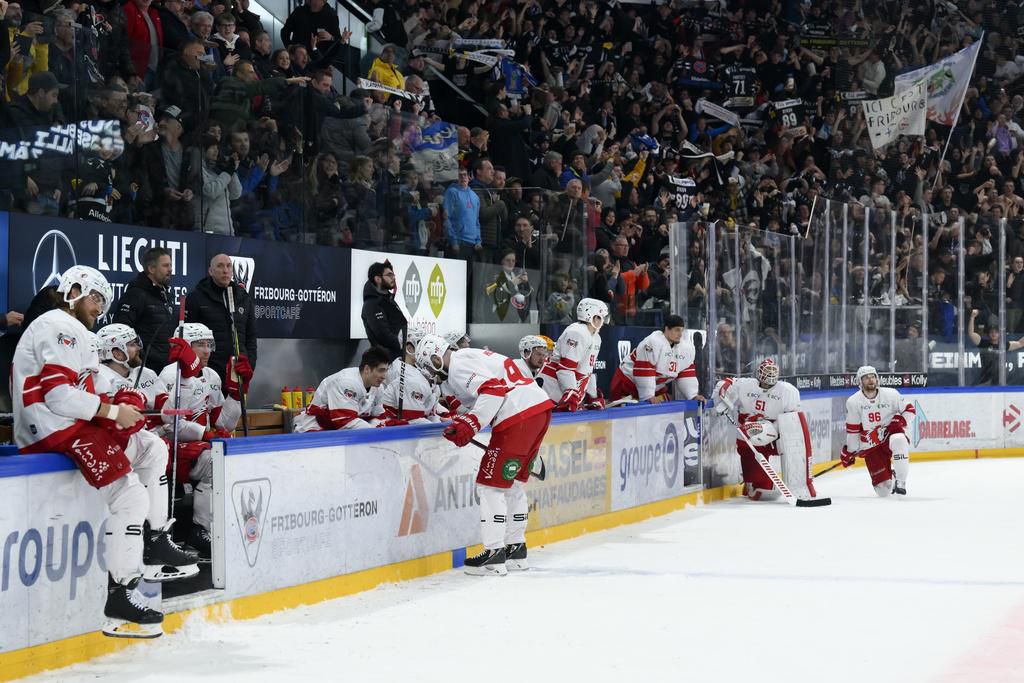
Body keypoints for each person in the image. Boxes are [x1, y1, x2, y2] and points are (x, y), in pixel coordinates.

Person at [12, 266, 195, 638]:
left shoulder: (74, 331)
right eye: (96, 298)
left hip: (64, 425)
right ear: (73, 290)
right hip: (54, 428)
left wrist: (119, 403)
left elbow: (87, 387)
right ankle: (121, 591)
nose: (99, 308)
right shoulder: (58, 325)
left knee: (149, 448)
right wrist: (112, 411)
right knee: (129, 495)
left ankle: (155, 540)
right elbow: (59, 395)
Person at [414, 335, 554, 575]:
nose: (430, 373)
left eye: (428, 366)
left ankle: (494, 554)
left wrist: (472, 424)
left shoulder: (458, 365)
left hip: (516, 416)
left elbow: (494, 391)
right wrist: (466, 417)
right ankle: (516, 549)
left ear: (436, 357)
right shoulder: (470, 357)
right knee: (514, 485)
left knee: (490, 487)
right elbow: (480, 396)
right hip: (539, 410)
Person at [93, 324, 198, 582]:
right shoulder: (102, 378)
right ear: (115, 351)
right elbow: (116, 423)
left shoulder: (134, 376)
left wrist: (184, 378)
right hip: (104, 454)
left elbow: (165, 414)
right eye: (131, 344)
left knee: (155, 447)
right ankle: (152, 542)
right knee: (152, 448)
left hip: (128, 451)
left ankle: (156, 538)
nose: (137, 348)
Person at [158, 323, 249, 558]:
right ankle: (200, 531)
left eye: (210, 344)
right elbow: (170, 426)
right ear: (186, 346)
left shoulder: (212, 375)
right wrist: (204, 434)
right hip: (172, 449)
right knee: (212, 458)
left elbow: (223, 424)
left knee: (229, 453)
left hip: (200, 446)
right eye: (200, 345)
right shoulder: (170, 375)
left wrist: (237, 394)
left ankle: (220, 526)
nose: (207, 351)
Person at [713, 358, 801, 501]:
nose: (771, 374)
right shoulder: (746, 385)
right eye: (767, 371)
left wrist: (771, 429)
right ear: (759, 373)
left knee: (795, 446)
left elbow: (793, 421)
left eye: (773, 371)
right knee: (760, 492)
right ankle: (751, 482)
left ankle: (800, 482)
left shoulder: (787, 390)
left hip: (775, 434)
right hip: (749, 438)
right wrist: (721, 397)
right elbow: (726, 382)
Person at [840, 366, 915, 497]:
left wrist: (899, 420)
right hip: (871, 445)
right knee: (883, 491)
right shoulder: (853, 402)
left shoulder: (891, 394)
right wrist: (850, 451)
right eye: (866, 378)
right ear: (860, 382)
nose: (870, 380)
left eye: (873, 376)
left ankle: (901, 481)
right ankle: (892, 476)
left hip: (890, 435)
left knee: (899, 439)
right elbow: (853, 431)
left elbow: (910, 410)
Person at [186, 253, 257, 385]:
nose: (225, 270)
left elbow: (251, 337)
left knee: (235, 406)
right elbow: (187, 338)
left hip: (237, 372)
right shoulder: (196, 298)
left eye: (229, 266)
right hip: (207, 373)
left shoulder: (243, 298)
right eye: (220, 266)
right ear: (210, 271)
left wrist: (249, 365)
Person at [292, 345, 391, 431]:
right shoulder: (345, 382)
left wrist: (382, 427)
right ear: (367, 369)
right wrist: (375, 431)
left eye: (386, 370)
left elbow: (378, 417)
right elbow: (346, 422)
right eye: (381, 370)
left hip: (340, 432)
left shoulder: (378, 387)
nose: (384, 376)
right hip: (314, 430)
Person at [611, 314, 703, 403]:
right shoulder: (652, 342)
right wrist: (648, 395)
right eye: (677, 330)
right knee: (624, 413)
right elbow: (644, 370)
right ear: (667, 329)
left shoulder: (686, 348)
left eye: (681, 331)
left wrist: (693, 395)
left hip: (655, 387)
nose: (680, 334)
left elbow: (686, 374)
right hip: (627, 383)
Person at [113, 247, 176, 374]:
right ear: (151, 269)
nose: (170, 269)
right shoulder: (135, 294)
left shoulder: (166, 295)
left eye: (170, 265)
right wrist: (141, 356)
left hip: (166, 369)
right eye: (165, 266)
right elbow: (121, 330)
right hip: (144, 369)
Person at [537, 298, 607, 411]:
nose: (603, 321)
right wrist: (570, 393)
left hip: (566, 393)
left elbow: (587, 370)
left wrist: (592, 396)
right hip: (551, 391)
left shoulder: (595, 337)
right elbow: (565, 369)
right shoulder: (577, 332)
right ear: (592, 316)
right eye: (600, 317)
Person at [376, 325, 438, 424]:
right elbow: (412, 417)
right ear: (409, 348)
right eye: (421, 344)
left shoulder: (418, 369)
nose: (426, 349)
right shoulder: (399, 372)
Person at [360, 261, 406, 360]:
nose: (393, 277)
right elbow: (383, 336)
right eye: (389, 275)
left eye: (393, 274)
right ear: (378, 279)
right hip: (388, 361)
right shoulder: (372, 304)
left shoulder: (387, 299)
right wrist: (406, 345)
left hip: (399, 357)